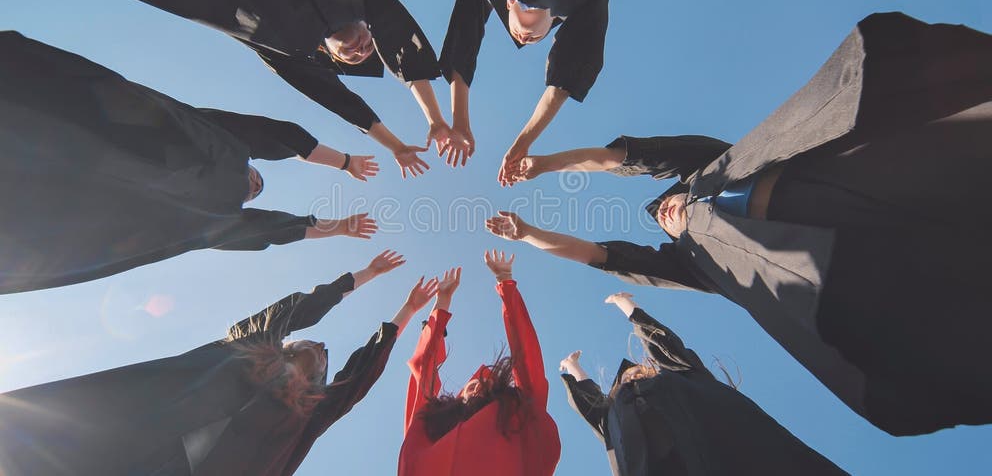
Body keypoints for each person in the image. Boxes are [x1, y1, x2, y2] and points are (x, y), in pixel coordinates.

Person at [488, 12, 992, 436]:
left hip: (847, 165)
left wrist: (547, 162)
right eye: (663, 224)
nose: (665, 213)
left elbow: (624, 159)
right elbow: (596, 255)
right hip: (839, 266)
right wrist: (528, 233)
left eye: (667, 203)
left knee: (947, 157)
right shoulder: (697, 264)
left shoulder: (715, 163)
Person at [0, 0, 460, 177]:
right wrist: (436, 119)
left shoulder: (282, 43)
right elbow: (396, 32)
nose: (364, 48)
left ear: (330, 59)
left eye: (358, 57)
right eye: (369, 40)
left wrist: (397, 146)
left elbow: (339, 100)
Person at [0, 32, 377, 294]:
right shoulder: (223, 142)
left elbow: (271, 230)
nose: (255, 186)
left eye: (255, 193)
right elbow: (282, 136)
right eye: (258, 178)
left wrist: (338, 227)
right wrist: (344, 162)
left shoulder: (213, 213)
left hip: (77, 199)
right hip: (96, 123)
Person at [0, 251, 436, 476]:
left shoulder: (307, 412)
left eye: (327, 355)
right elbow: (289, 311)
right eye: (316, 343)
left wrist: (406, 312)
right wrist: (361, 277)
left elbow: (358, 377)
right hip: (144, 442)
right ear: (288, 347)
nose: (322, 348)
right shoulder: (245, 353)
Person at [438, 0, 667, 175]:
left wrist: (459, 120)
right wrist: (524, 141)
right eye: (537, 38)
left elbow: (465, 29)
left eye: (529, 37)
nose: (526, 38)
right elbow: (564, 79)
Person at [560, 291, 847, 475]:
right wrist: (574, 368)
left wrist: (629, 308)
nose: (631, 375)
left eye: (635, 372)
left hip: (730, 451)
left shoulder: (680, 376)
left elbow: (663, 344)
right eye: (624, 378)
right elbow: (591, 403)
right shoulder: (614, 419)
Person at [398, 251, 561, 476]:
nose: (475, 384)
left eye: (483, 384)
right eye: (472, 383)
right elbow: (422, 371)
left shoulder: (515, 413)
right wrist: (441, 304)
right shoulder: (432, 424)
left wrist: (506, 284)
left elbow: (527, 360)